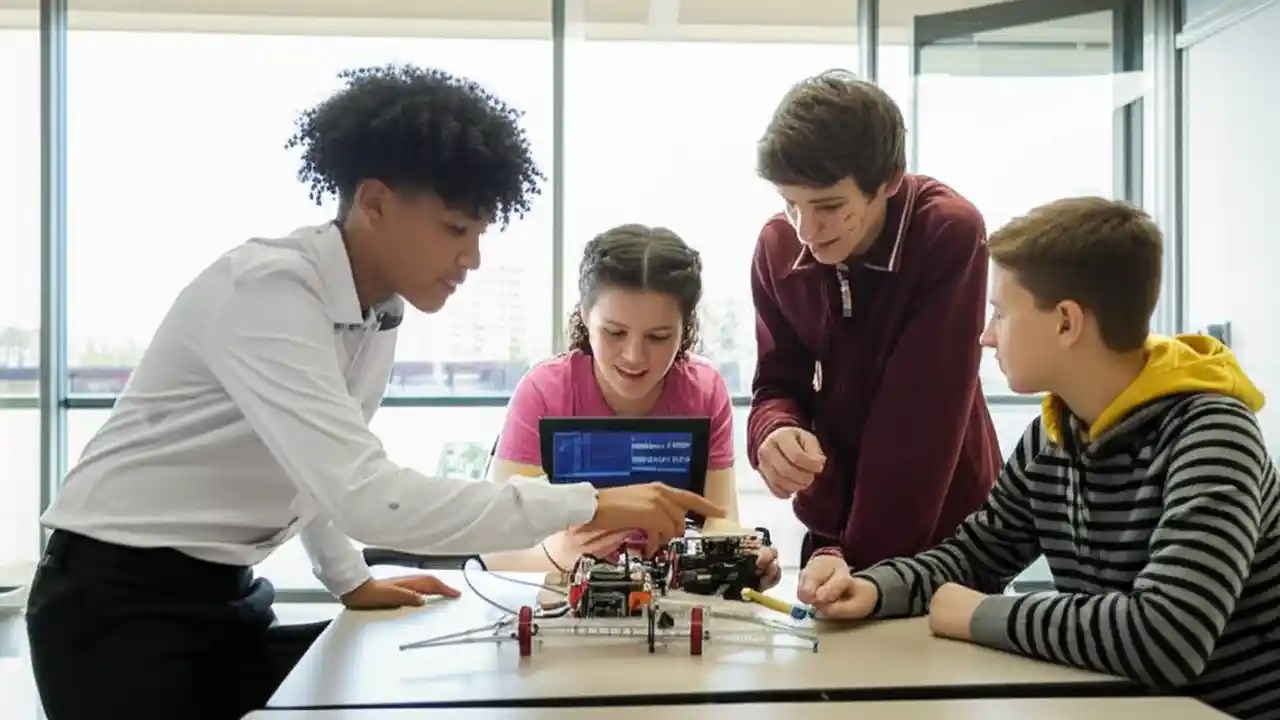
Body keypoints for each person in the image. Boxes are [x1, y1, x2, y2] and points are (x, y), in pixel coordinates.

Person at [25, 65, 722, 720]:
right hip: (114, 606)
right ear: (376, 204)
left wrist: (349, 580)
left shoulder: (376, 310)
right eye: (456, 230)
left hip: (225, 593)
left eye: (479, 233)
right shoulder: (268, 291)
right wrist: (592, 501)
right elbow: (364, 492)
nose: (472, 258)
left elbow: (316, 471)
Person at [802, 197, 1280, 719]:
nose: (985, 336)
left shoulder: (1212, 434)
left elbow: (1168, 636)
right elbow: (975, 556)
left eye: (1001, 313)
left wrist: (982, 614)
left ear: (1067, 323)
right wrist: (873, 587)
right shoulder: (1053, 435)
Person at [747, 69, 1002, 570]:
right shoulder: (776, 247)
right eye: (790, 203)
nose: (805, 230)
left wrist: (857, 563)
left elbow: (918, 422)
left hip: (949, 536)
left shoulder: (946, 232)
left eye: (828, 206)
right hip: (833, 534)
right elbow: (775, 385)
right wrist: (773, 433)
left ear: (888, 182)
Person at [481, 224, 780, 587]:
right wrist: (558, 554)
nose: (634, 357)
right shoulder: (544, 391)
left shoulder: (704, 391)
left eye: (658, 337)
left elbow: (718, 519)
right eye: (614, 332)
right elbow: (494, 547)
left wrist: (743, 557)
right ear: (585, 316)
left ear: (686, 329)